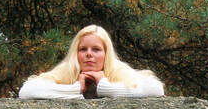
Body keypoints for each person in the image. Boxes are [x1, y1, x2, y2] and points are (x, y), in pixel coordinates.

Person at [18, 25, 165, 99]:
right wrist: (77, 88)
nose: (89, 54)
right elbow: (27, 91)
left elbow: (156, 89)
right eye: (83, 49)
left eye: (96, 49)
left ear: (106, 53)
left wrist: (105, 85)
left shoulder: (118, 70)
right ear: (76, 53)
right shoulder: (66, 71)